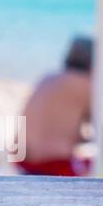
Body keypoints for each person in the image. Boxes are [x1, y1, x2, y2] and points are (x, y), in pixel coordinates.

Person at [15, 36, 95, 176]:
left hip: (21, 157)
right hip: (53, 164)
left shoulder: (48, 77)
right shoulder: (87, 86)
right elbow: (102, 132)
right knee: (100, 170)